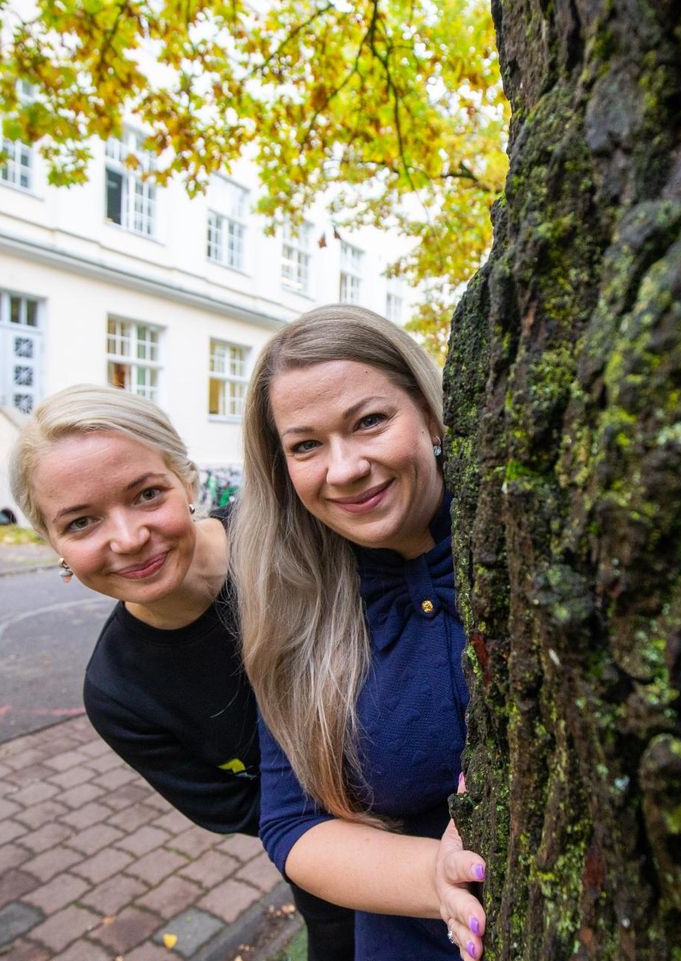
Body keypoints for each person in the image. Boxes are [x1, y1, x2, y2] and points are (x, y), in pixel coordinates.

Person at [8, 384, 353, 961]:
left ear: (187, 480)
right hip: (341, 872)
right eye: (80, 523)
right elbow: (244, 810)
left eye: (146, 494)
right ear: (51, 542)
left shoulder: (295, 532)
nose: (128, 537)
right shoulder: (119, 694)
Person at [232, 305, 488, 961]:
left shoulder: (523, 532)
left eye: (369, 421)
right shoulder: (295, 604)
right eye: (306, 444)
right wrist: (432, 875)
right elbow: (293, 823)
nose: (344, 467)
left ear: (430, 412)